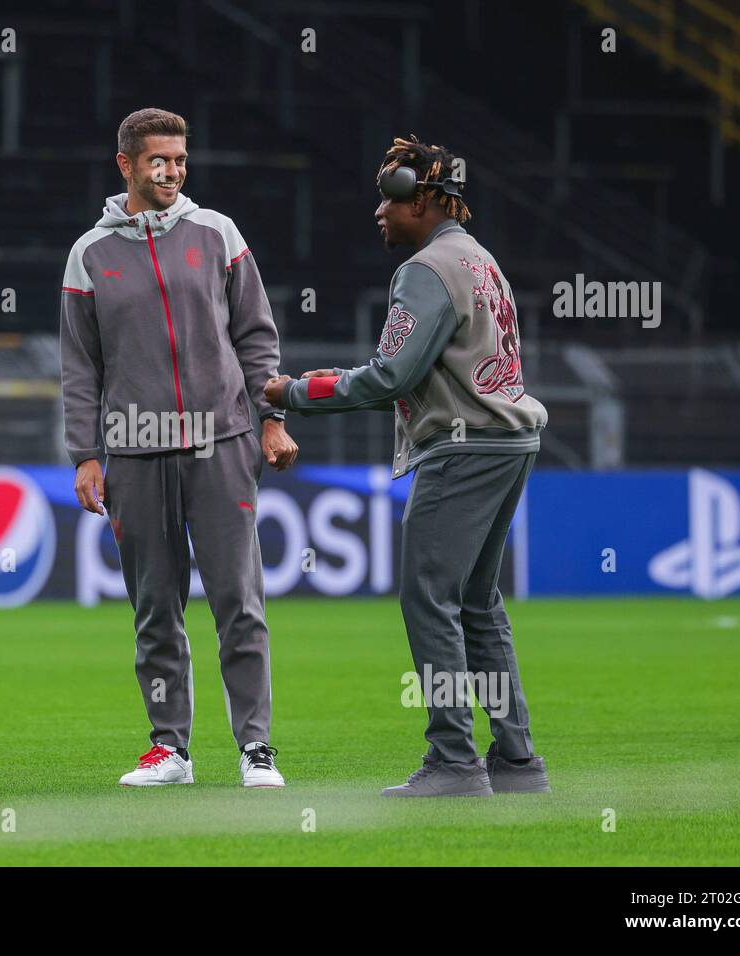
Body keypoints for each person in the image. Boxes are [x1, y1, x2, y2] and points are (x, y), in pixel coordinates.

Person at [265, 135, 550, 797]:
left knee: (429, 600)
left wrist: (295, 394)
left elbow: (392, 374)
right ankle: (515, 761)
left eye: (389, 199)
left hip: (464, 445)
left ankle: (453, 761)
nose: (379, 213)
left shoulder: (426, 269)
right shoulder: (483, 261)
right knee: (478, 604)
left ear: (422, 198)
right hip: (509, 439)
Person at [60, 108, 298, 788]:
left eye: (180, 159)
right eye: (158, 159)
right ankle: (171, 750)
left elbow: (257, 339)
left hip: (221, 444)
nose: (170, 170)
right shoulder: (88, 254)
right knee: (155, 611)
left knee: (239, 604)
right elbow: (81, 366)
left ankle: (256, 751)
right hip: (133, 455)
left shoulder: (218, 233)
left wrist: (271, 418)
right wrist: (84, 452)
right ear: (126, 165)